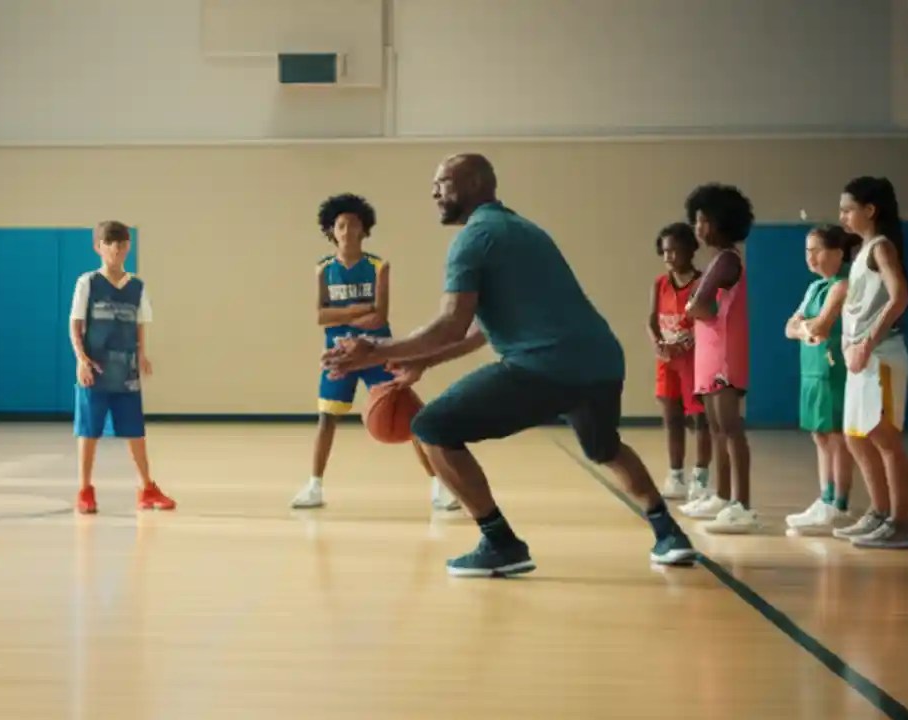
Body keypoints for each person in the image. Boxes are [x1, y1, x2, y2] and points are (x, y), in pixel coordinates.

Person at [322, 154, 697, 577]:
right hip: (600, 362)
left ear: (477, 183)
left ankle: (501, 543)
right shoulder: (524, 231)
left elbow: (450, 323)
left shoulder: (473, 239)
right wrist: (422, 360)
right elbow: (481, 329)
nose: (434, 191)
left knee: (431, 427)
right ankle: (669, 533)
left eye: (443, 182)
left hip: (544, 367)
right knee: (604, 447)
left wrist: (374, 349)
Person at [292, 193, 460, 512]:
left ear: (363, 229)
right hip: (338, 355)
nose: (346, 230)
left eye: (353, 224)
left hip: (376, 351)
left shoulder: (378, 266)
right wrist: (359, 309)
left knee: (408, 414)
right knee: (326, 418)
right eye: (340, 225)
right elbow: (320, 316)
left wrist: (342, 312)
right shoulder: (323, 269)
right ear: (331, 230)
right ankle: (314, 486)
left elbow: (379, 317)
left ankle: (439, 486)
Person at [834, 177, 908, 549]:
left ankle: (901, 522)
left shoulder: (881, 247)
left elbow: (900, 297)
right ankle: (879, 512)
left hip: (881, 355)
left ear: (870, 210)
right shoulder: (861, 249)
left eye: (848, 209)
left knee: (884, 438)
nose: (842, 217)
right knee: (856, 437)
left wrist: (868, 340)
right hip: (860, 357)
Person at [69, 220, 176, 514]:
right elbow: (75, 325)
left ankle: (147, 489)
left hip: (126, 370)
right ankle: (85, 490)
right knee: (89, 431)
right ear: (99, 247)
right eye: (110, 244)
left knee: (135, 432)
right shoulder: (87, 283)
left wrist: (142, 354)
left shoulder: (137, 286)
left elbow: (140, 323)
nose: (116, 249)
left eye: (121, 244)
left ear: (128, 246)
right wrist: (81, 359)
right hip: (95, 369)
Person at [679, 183, 758, 534]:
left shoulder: (727, 259)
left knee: (730, 428)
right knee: (714, 428)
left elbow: (698, 304)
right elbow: (697, 308)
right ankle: (723, 496)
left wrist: (696, 307)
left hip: (724, 354)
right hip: (708, 352)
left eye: (702, 221)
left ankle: (743, 503)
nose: (697, 228)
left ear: (719, 222)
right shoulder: (717, 260)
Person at [783, 224, 858, 534]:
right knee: (819, 435)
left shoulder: (843, 285)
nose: (810, 257)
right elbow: (790, 327)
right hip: (810, 370)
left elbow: (822, 328)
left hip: (833, 370)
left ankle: (838, 503)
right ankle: (824, 498)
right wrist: (803, 328)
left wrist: (806, 327)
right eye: (807, 251)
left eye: (817, 250)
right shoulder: (814, 288)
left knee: (837, 436)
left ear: (838, 252)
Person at [647, 222, 711, 501]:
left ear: (689, 250)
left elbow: (706, 322)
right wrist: (657, 343)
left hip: (693, 359)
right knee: (671, 417)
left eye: (674, 251)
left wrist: (682, 344)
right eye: (664, 252)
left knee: (700, 418)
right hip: (666, 360)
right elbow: (651, 320)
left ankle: (701, 476)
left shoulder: (701, 283)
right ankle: (675, 475)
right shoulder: (660, 283)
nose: (669, 257)